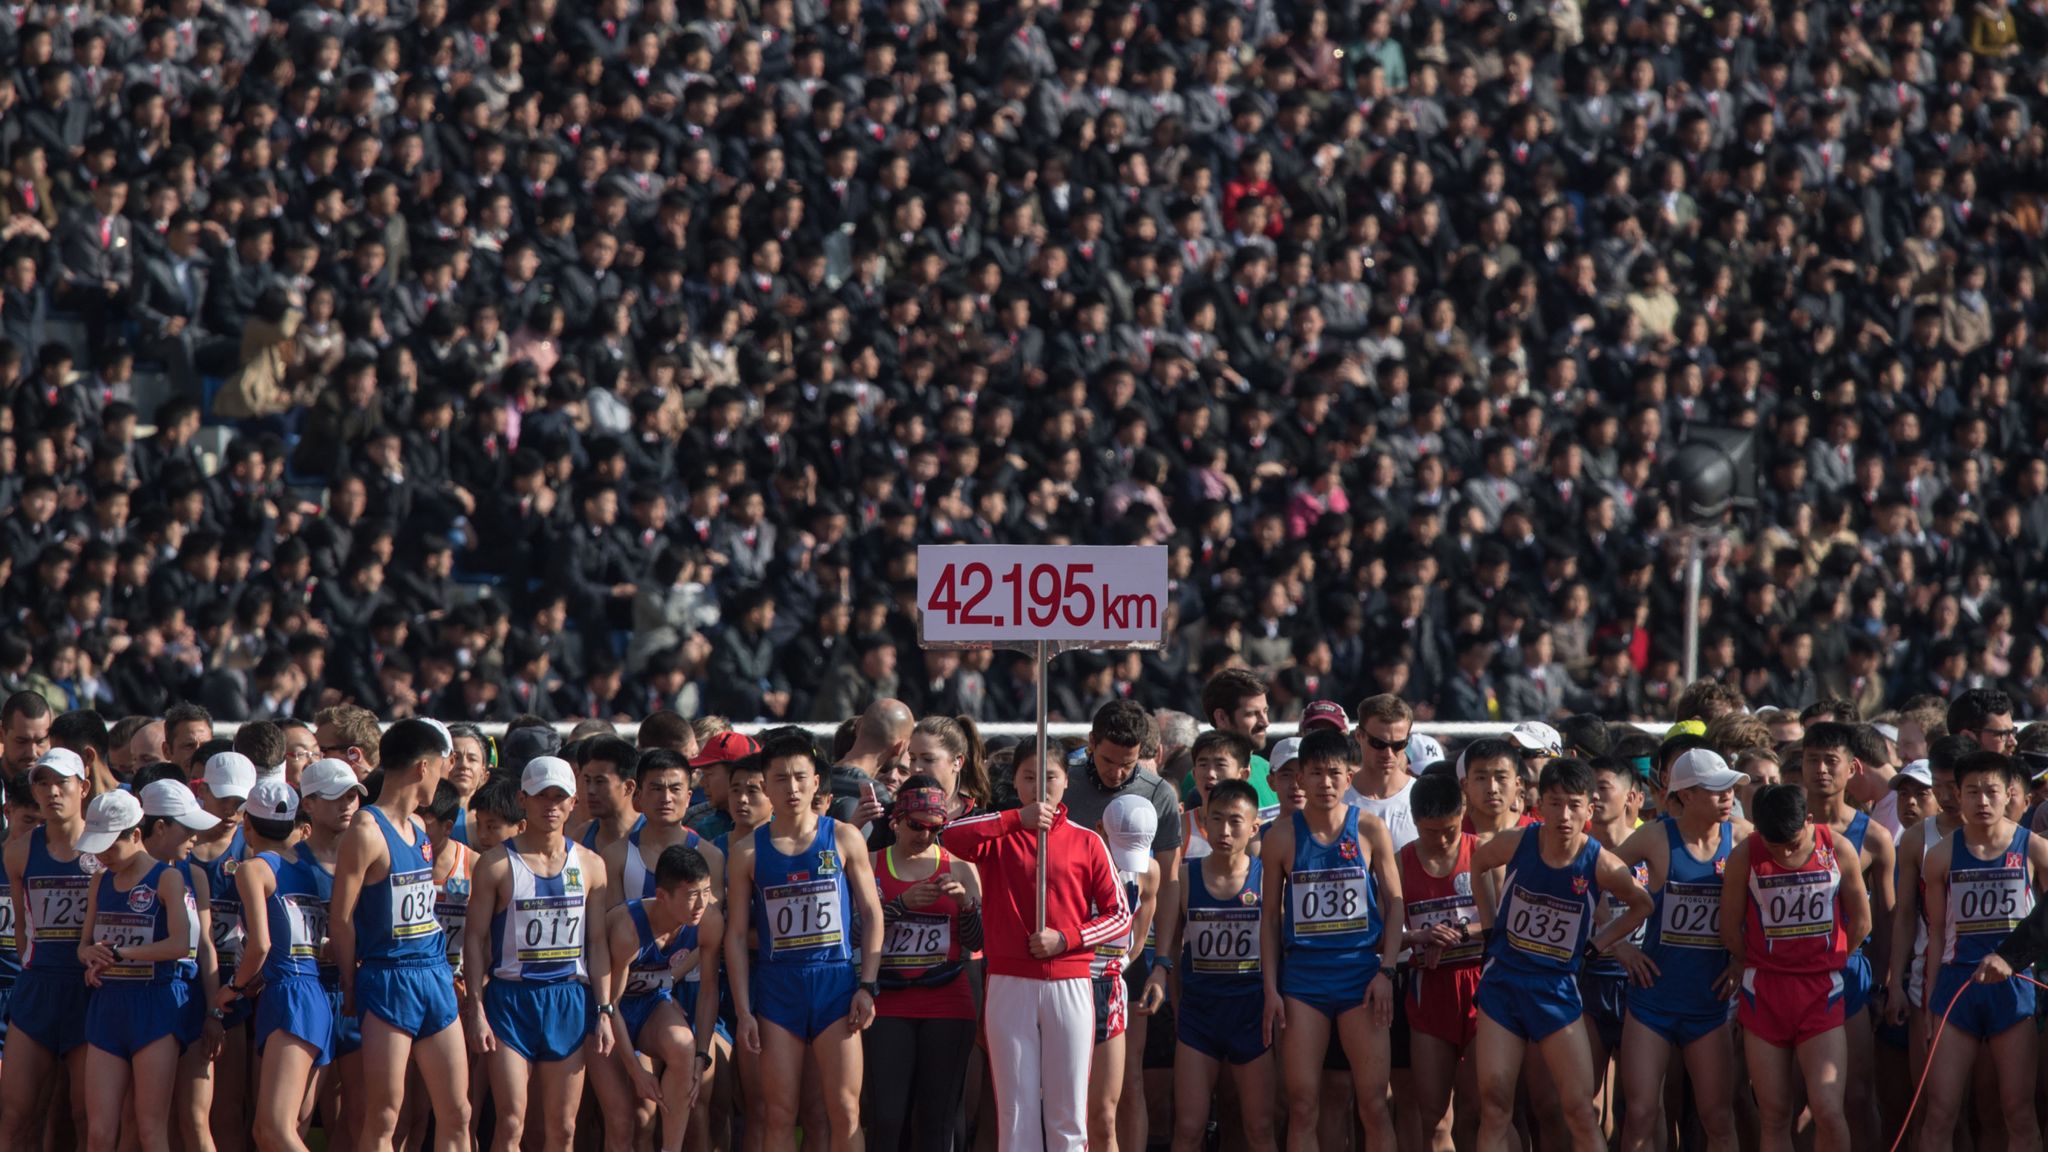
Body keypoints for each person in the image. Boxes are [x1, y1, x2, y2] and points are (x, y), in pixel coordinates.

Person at [947, 738, 1132, 1152]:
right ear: (1015, 781)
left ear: (1066, 781)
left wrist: (1066, 939)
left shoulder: (1088, 840)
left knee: (1068, 1112)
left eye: (1049, 777)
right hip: (1009, 982)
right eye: (1029, 777)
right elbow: (951, 836)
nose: (1040, 787)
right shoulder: (999, 833)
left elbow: (1120, 914)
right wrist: (1015, 819)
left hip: (1071, 982)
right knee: (1017, 1111)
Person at [1468, 757, 1653, 1152]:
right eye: (1555, 804)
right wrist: (1488, 928)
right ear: (1540, 806)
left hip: (1556, 990)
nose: (1564, 816)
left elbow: (1643, 905)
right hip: (1503, 984)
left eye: (1574, 805)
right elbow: (1479, 862)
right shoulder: (1518, 841)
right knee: (1495, 1106)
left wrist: (1598, 944)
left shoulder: (1601, 862)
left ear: (1589, 808)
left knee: (1579, 1110)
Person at [723, 732, 884, 1152]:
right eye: (780, 779)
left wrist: (867, 985)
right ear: (766, 785)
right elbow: (735, 935)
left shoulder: (844, 837)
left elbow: (872, 914)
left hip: (836, 985)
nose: (791, 788)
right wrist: (743, 1011)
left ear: (816, 783)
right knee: (779, 1113)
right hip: (778, 989)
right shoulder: (746, 853)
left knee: (845, 1111)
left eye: (800, 778)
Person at [1259, 727, 1405, 1152]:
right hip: (1303, 983)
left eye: (1334, 773)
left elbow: (1396, 904)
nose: (1325, 783)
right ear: (1300, 777)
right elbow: (1269, 920)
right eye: (1316, 773)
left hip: (1361, 978)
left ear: (1349, 776)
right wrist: (1271, 989)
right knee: (1303, 1106)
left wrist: (1387, 971)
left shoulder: (1371, 829)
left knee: (1374, 1105)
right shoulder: (1280, 837)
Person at [329, 719, 472, 1152]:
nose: (445, 777)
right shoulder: (366, 831)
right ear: (423, 767)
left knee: (458, 1112)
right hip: (388, 978)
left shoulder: (420, 829)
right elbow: (341, 918)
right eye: (442, 767)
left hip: (434, 973)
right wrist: (350, 984)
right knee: (385, 1115)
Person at [464, 754, 616, 1152]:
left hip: (568, 999)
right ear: (523, 799)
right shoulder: (495, 864)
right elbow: (475, 940)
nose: (550, 805)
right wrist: (476, 1008)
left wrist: (604, 1010)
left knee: (563, 1129)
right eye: (541, 796)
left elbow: (597, 943)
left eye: (558, 796)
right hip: (510, 1001)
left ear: (573, 802)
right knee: (511, 1123)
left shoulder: (592, 865)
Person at [1721, 783, 1871, 1152]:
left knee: (1828, 1110)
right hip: (1765, 990)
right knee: (1774, 1115)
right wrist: (1758, 961)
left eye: (1792, 843)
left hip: (1821, 991)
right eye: (1775, 845)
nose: (1785, 852)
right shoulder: (1745, 855)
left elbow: (1862, 921)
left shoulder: (1837, 848)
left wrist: (1832, 959)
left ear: (1808, 820)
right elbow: (1729, 928)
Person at [1613, 749, 1748, 1152]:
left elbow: (1767, 902)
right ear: (1685, 795)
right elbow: (1589, 878)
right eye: (1716, 789)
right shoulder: (1655, 836)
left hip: (1710, 1004)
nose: (1728, 796)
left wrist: (1743, 959)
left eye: (1730, 788)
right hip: (1653, 1001)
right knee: (1640, 1114)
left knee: (1718, 1118)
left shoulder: (1743, 837)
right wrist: (1618, 946)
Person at [1914, 751, 2046, 1152]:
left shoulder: (2034, 848)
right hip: (1958, 986)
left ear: (2009, 794)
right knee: (1940, 1111)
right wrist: (1930, 1002)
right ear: (1957, 795)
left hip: (2015, 987)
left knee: (2018, 1110)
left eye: (1991, 791)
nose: (1982, 801)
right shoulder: (1940, 856)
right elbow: (1937, 933)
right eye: (1972, 792)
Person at [75, 787, 202, 1152]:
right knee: (99, 1133)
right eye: (97, 846)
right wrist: (90, 957)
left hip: (154, 1009)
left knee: (150, 1129)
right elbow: (83, 945)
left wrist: (122, 953)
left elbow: (180, 944)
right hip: (108, 1008)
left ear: (134, 834)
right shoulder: (100, 879)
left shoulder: (167, 878)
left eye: (109, 846)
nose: (102, 855)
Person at [224, 776, 345, 1152]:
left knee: (273, 1131)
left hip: (289, 995)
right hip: (316, 996)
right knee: (284, 1131)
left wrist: (233, 987)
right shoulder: (306, 869)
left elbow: (260, 945)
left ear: (247, 824)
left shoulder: (253, 869)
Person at [863, 777, 983, 1152]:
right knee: (885, 1118)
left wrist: (966, 906)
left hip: (947, 999)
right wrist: (901, 905)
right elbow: (854, 932)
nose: (925, 836)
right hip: (888, 999)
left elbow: (977, 942)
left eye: (935, 828)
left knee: (938, 1120)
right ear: (896, 820)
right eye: (916, 825)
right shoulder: (871, 863)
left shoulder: (960, 868)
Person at [1799, 721, 1895, 1149]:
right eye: (1812, 760)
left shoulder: (1873, 837)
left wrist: (1884, 984)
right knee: (1792, 1102)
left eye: (1830, 761)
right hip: (1788, 972)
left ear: (1852, 767)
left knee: (1856, 1096)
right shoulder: (1778, 827)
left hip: (1848, 972)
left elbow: (1887, 917)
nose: (1821, 769)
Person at [1169, 777, 1276, 1152]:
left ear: (1254, 827)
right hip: (1199, 1016)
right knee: (1188, 1128)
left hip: (1251, 1015)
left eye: (1234, 821)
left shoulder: (1267, 878)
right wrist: (1179, 1006)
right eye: (1216, 819)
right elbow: (1171, 948)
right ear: (1204, 820)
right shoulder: (1185, 877)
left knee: (1259, 1128)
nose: (1224, 831)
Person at [0, 749, 97, 1149]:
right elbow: (22, 932)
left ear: (83, 787)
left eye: (61, 782)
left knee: (85, 1116)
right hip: (37, 989)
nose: (52, 792)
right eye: (43, 783)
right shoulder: (19, 851)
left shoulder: (105, 849)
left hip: (90, 991)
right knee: (16, 1115)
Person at [601, 843, 723, 1152]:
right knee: (625, 1121)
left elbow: (709, 989)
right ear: (663, 895)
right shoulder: (628, 930)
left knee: (684, 1046)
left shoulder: (708, 921)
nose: (701, 903)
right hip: (603, 1013)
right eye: (691, 895)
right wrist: (636, 1071)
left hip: (651, 1002)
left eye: (706, 891)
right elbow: (611, 1005)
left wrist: (702, 1054)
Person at [1399, 770, 1484, 1152]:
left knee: (1478, 1111)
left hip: (1481, 987)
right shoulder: (1401, 862)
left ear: (1462, 811)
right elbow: (1381, 934)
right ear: (1415, 821)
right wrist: (1418, 937)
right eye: (1432, 832)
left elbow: (1505, 925)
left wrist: (1462, 932)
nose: (1444, 839)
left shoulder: (1482, 852)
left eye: (1450, 829)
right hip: (1430, 988)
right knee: (1433, 1118)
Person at [1087, 794, 1161, 1152]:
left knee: (1113, 1102)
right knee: (1068, 1103)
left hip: (1114, 983)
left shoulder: (1148, 870)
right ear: (1100, 830)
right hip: (1071, 986)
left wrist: (1112, 970)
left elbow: (1138, 941)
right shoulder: (1077, 863)